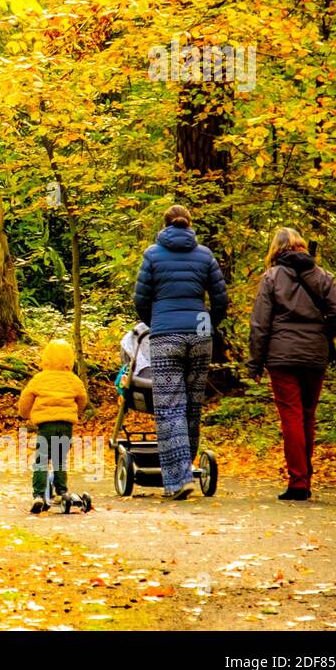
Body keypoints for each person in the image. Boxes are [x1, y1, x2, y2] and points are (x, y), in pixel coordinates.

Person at [133, 204, 228, 499]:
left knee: (170, 407)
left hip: (165, 333)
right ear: (189, 224)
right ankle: (187, 464)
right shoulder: (204, 254)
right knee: (192, 405)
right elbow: (220, 298)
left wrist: (156, 323)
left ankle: (177, 479)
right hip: (200, 331)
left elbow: (141, 298)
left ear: (165, 225)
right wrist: (209, 322)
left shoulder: (152, 254)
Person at [247, 227, 336, 501]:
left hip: (281, 355)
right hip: (315, 354)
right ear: (301, 246)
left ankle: (299, 482)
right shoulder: (322, 275)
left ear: (276, 250)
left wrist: (254, 363)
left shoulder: (271, 277)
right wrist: (323, 335)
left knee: (291, 415)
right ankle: (304, 476)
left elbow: (260, 324)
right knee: (307, 414)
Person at [18, 339, 87, 514]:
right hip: (65, 426)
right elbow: (82, 398)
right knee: (59, 460)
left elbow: (26, 399)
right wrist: (76, 412)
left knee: (41, 460)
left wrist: (25, 415)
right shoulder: (73, 380)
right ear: (69, 360)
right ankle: (62, 491)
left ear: (46, 359)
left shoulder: (39, 379)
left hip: (45, 425)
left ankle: (39, 495)